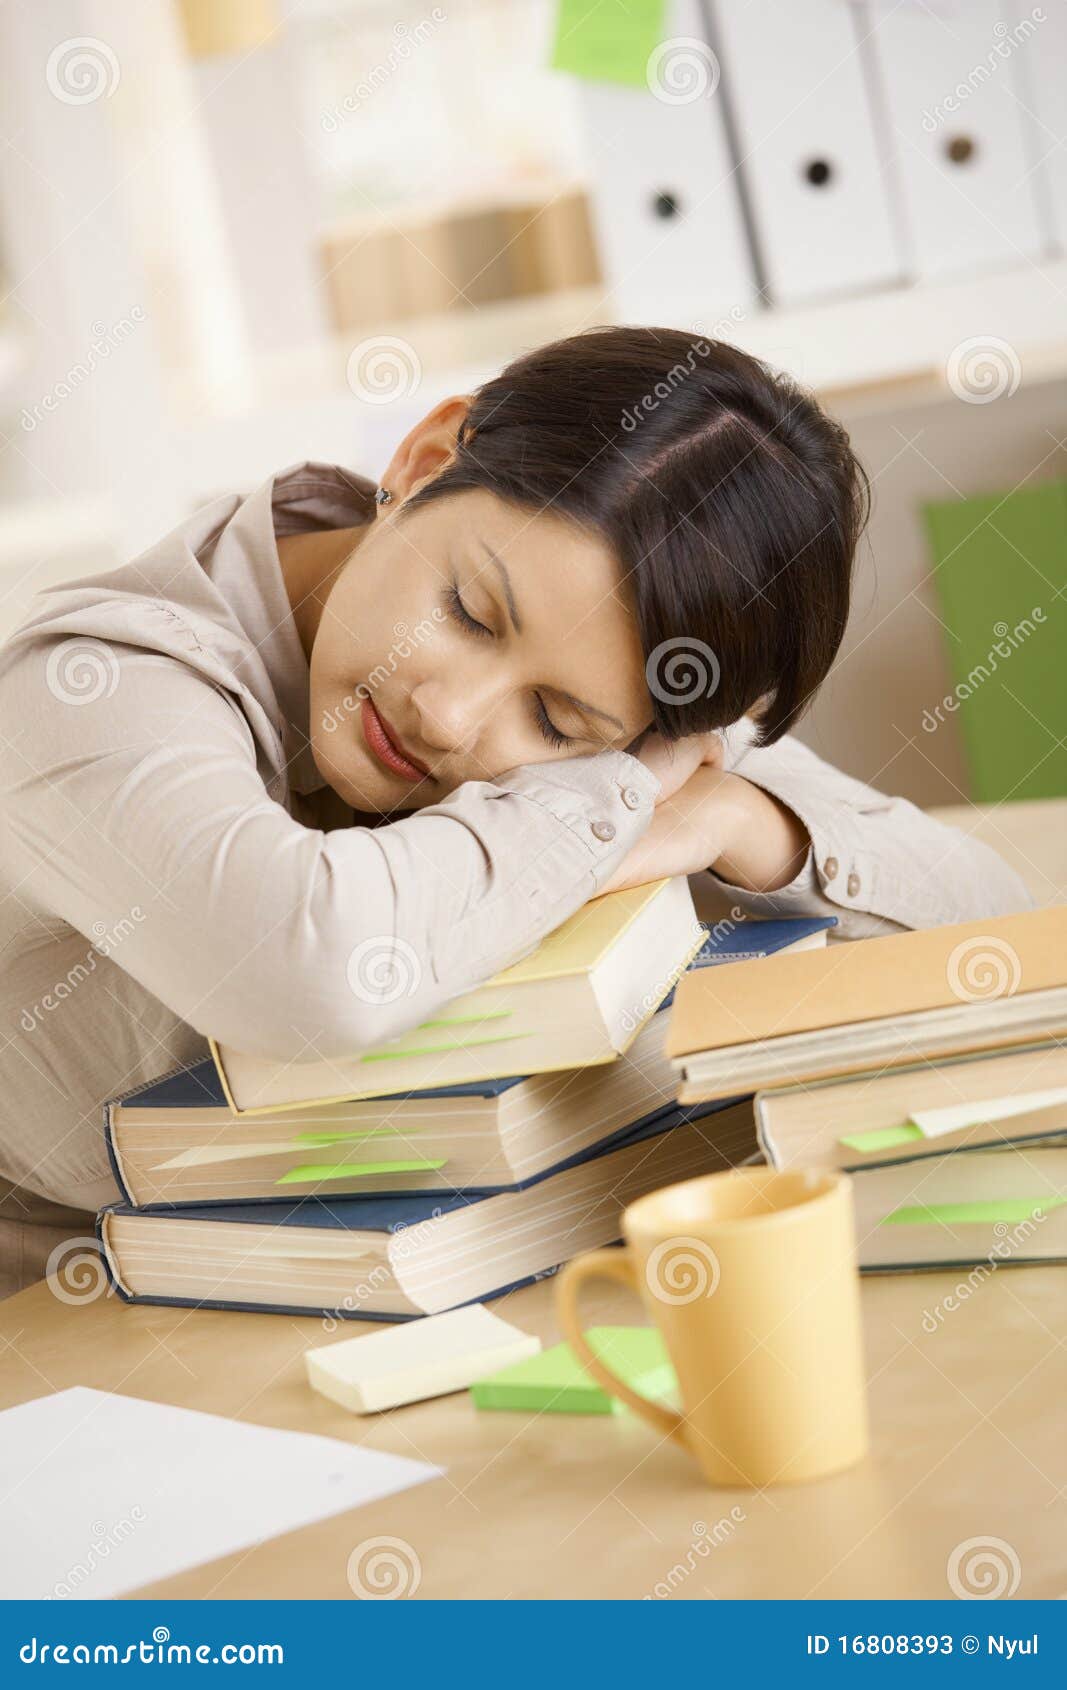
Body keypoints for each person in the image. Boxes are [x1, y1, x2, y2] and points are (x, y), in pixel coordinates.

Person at [0, 326, 1030, 1293]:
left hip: (405, 1284)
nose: (446, 715)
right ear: (424, 459)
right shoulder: (89, 683)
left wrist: (742, 824)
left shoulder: (625, 693)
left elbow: (991, 927)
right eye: (468, 611)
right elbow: (311, 965)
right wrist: (611, 783)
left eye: (552, 716)